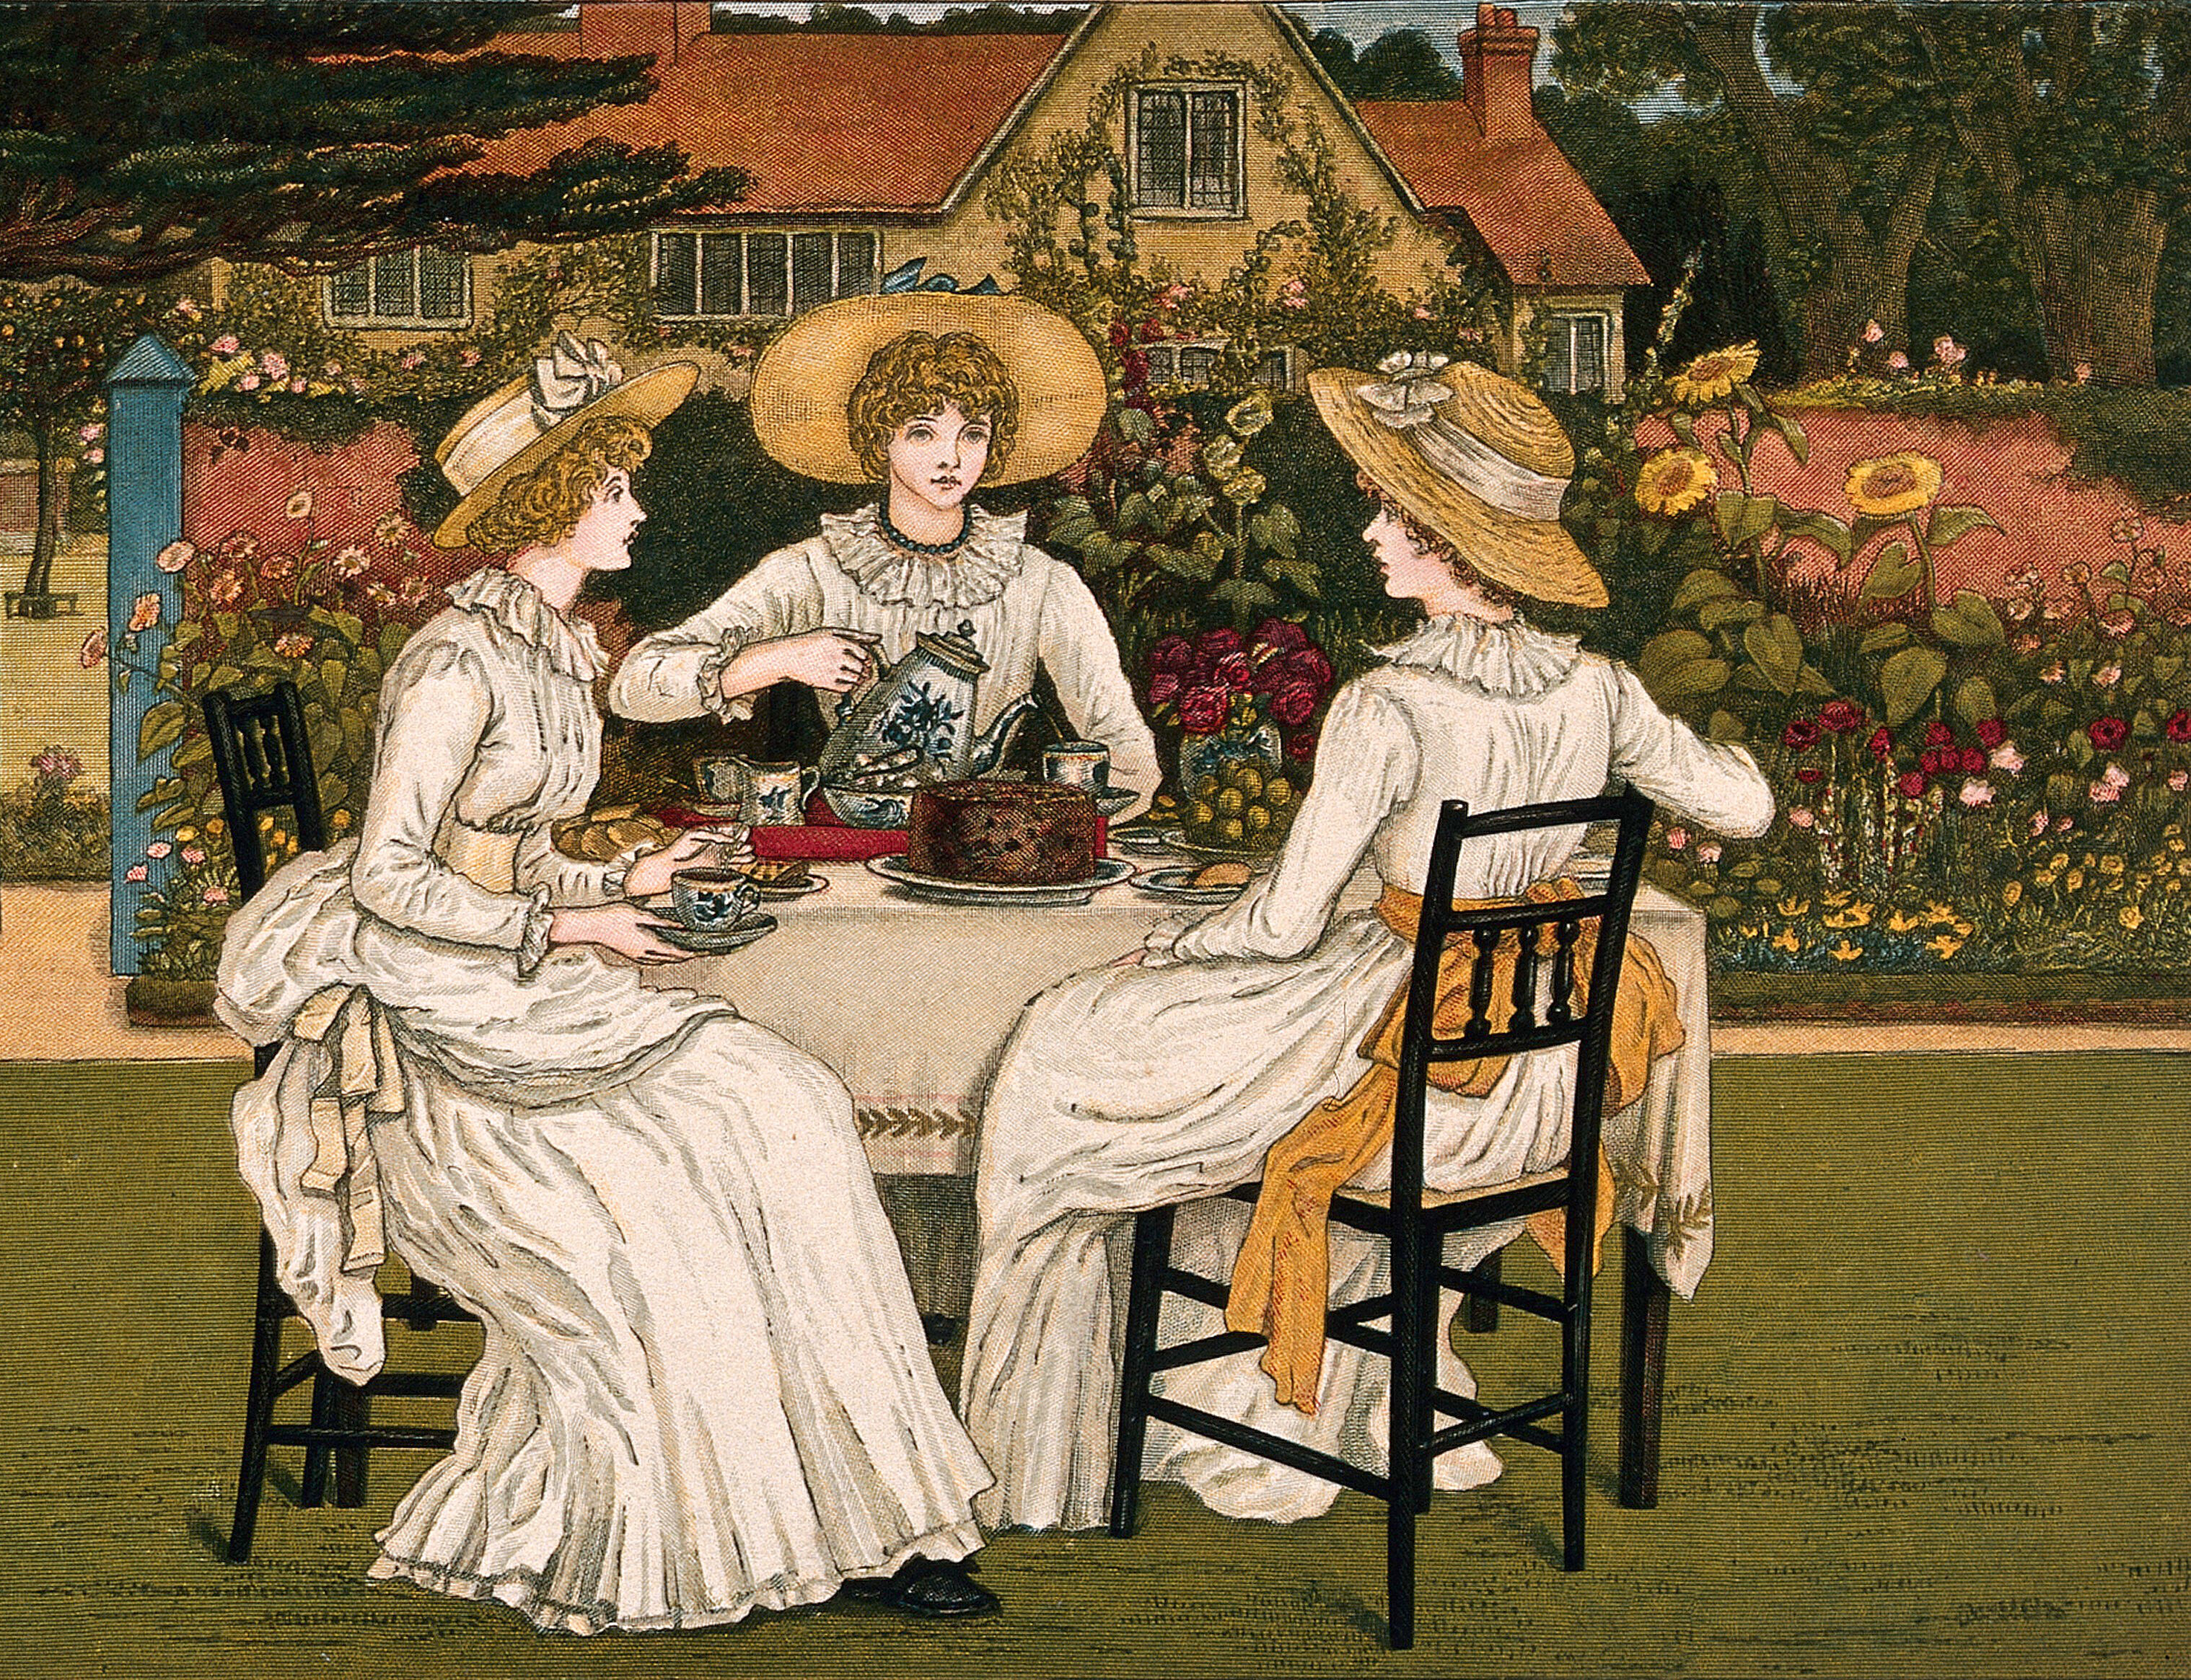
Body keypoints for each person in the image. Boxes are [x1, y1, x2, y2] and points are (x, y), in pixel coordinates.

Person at [216, 333, 1000, 1631]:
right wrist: (573, 929)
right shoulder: (454, 661)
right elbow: (392, 879)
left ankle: (883, 1513)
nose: (636, 508)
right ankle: (748, 1532)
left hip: (520, 991)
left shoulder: (553, 648)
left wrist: (629, 874)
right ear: (554, 504)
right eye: (616, 488)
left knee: (790, 1106)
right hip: (441, 1031)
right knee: (666, 1193)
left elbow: (517, 845)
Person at [957, 352, 1775, 1532]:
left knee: (1068, 1050)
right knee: (1180, 1089)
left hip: (1414, 1075)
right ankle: (1325, 1391)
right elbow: (1741, 806)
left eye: (1390, 507)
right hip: (1537, 1088)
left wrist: (1175, 951)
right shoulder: (1596, 689)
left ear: (1444, 539)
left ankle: (1172, 1411)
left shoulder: (1385, 703)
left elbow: (1287, 917)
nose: (1371, 527)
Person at [607, 293, 1160, 814]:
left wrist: (1052, 830)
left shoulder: (1039, 581)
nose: (951, 458)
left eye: (972, 434)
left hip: (986, 848)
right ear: (880, 439)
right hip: (850, 841)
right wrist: (777, 660)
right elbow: (634, 687)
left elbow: (1127, 751)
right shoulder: (812, 569)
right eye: (922, 433)